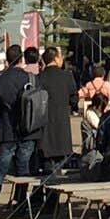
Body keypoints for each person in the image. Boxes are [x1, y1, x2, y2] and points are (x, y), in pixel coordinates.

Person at [0, 45, 39, 216]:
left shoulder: (0, 79)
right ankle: (21, 204)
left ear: (7, 60)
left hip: (8, 131)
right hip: (28, 129)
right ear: (21, 59)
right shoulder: (30, 78)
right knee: (23, 169)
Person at [36, 46, 77, 183]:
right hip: (62, 124)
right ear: (56, 59)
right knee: (59, 164)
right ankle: (55, 199)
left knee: (46, 164)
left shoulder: (39, 78)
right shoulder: (67, 76)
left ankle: (48, 197)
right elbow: (74, 100)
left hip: (43, 126)